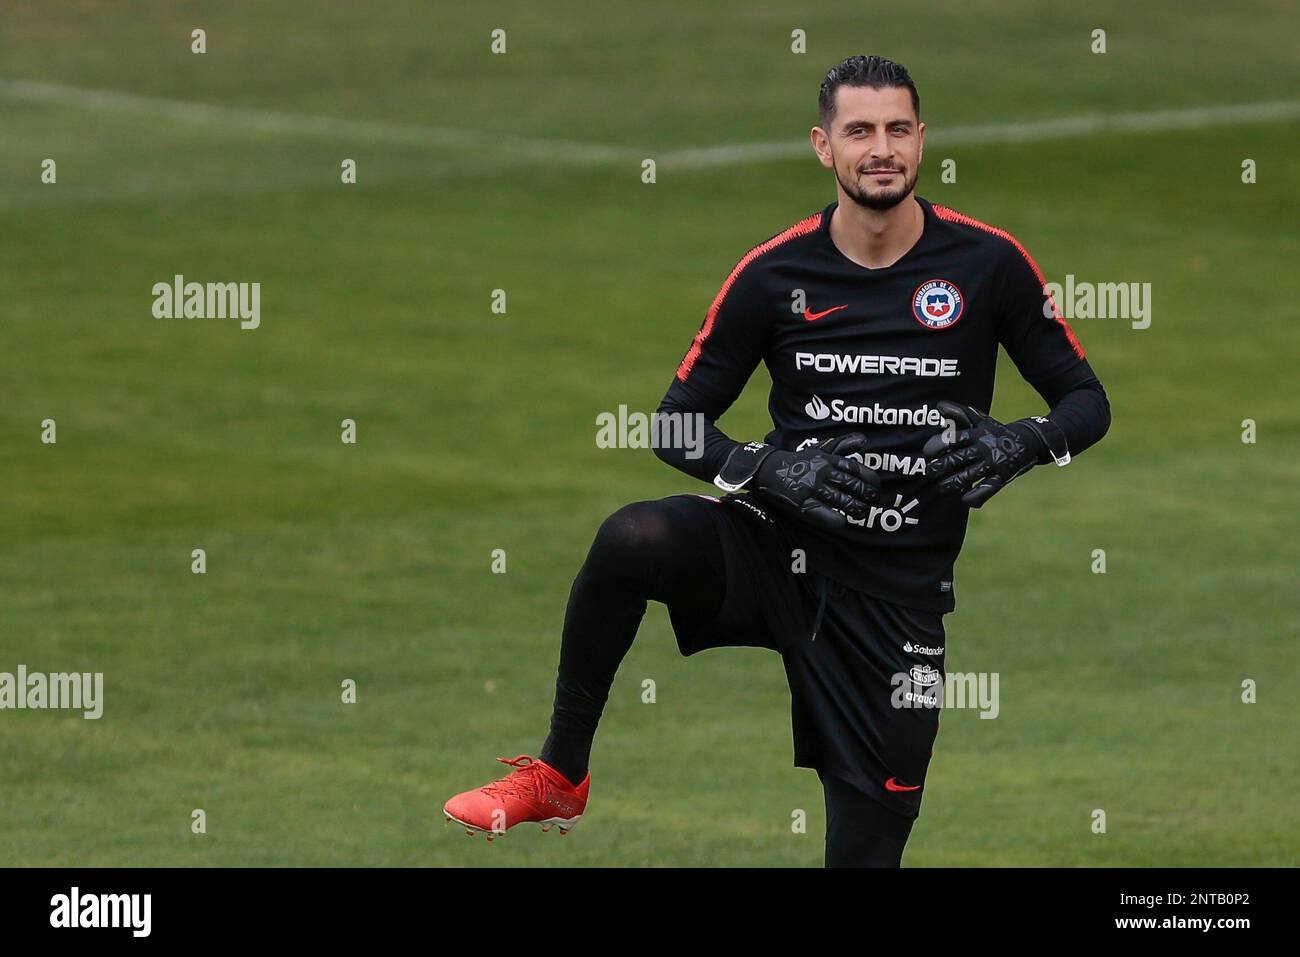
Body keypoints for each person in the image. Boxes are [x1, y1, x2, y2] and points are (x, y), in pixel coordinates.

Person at [443, 54, 1110, 866]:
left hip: (897, 594)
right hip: (774, 548)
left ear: (923, 140)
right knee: (633, 539)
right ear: (823, 146)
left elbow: (1086, 402)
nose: (882, 148)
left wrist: (1020, 442)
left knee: (864, 856)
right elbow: (675, 426)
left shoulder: (987, 263)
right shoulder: (775, 273)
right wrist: (768, 469)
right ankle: (559, 770)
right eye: (859, 131)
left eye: (898, 129)